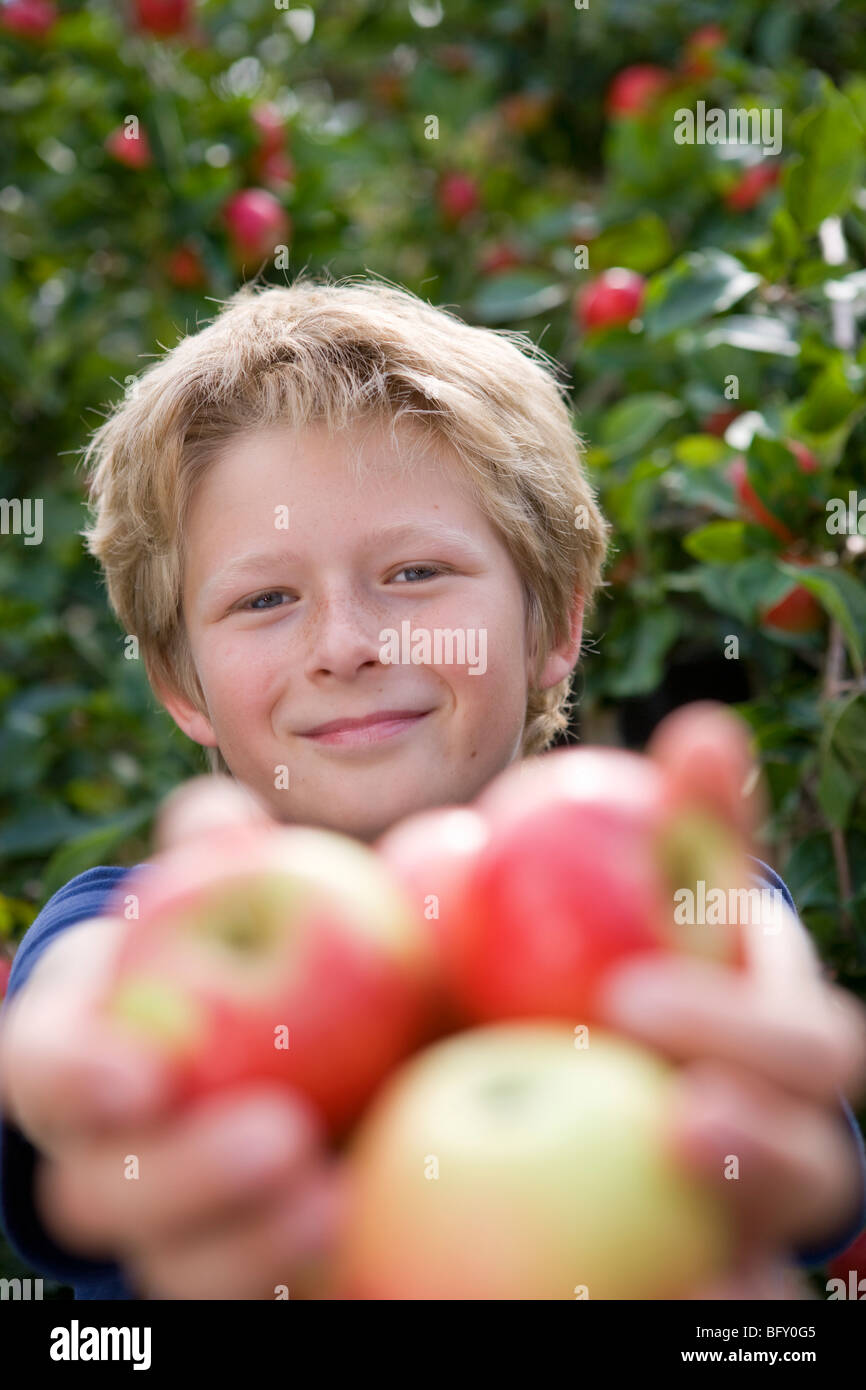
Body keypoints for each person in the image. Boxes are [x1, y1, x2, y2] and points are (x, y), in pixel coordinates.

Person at [1, 276, 864, 1300]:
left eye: (413, 574)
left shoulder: (666, 895)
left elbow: (767, 1076)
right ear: (180, 684)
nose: (347, 646)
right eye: (265, 597)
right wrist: (96, 1084)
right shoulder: (127, 928)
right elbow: (84, 1007)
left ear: (551, 625)